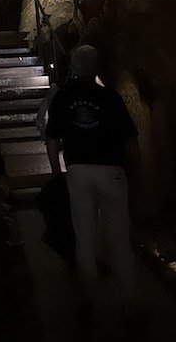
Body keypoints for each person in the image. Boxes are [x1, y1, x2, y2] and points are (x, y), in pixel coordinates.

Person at [45, 44, 140, 311]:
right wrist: (136, 172)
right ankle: (130, 301)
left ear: (73, 67)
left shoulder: (64, 96)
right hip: (111, 171)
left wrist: (56, 172)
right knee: (119, 238)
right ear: (96, 66)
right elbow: (130, 139)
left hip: (78, 171)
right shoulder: (109, 96)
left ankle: (89, 300)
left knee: (84, 237)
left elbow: (51, 138)